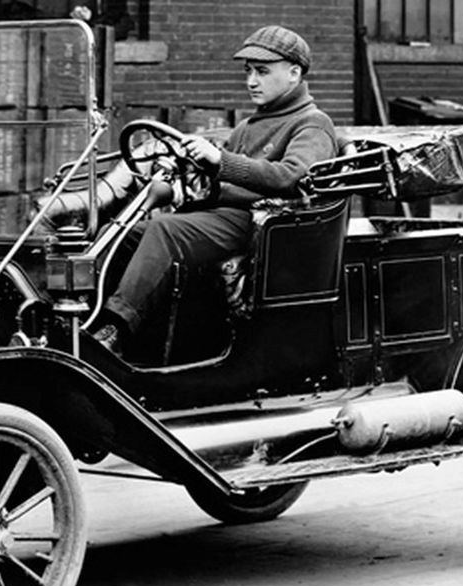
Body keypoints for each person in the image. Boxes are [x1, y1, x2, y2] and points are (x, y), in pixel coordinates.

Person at [92, 25, 338, 355]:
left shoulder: (313, 123)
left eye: (262, 72)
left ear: (294, 73)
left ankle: (116, 329)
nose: (251, 81)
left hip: (263, 228)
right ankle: (97, 319)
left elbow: (292, 178)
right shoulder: (248, 126)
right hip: (229, 218)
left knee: (165, 231)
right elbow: (222, 184)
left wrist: (221, 160)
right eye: (248, 71)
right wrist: (191, 180)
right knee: (124, 233)